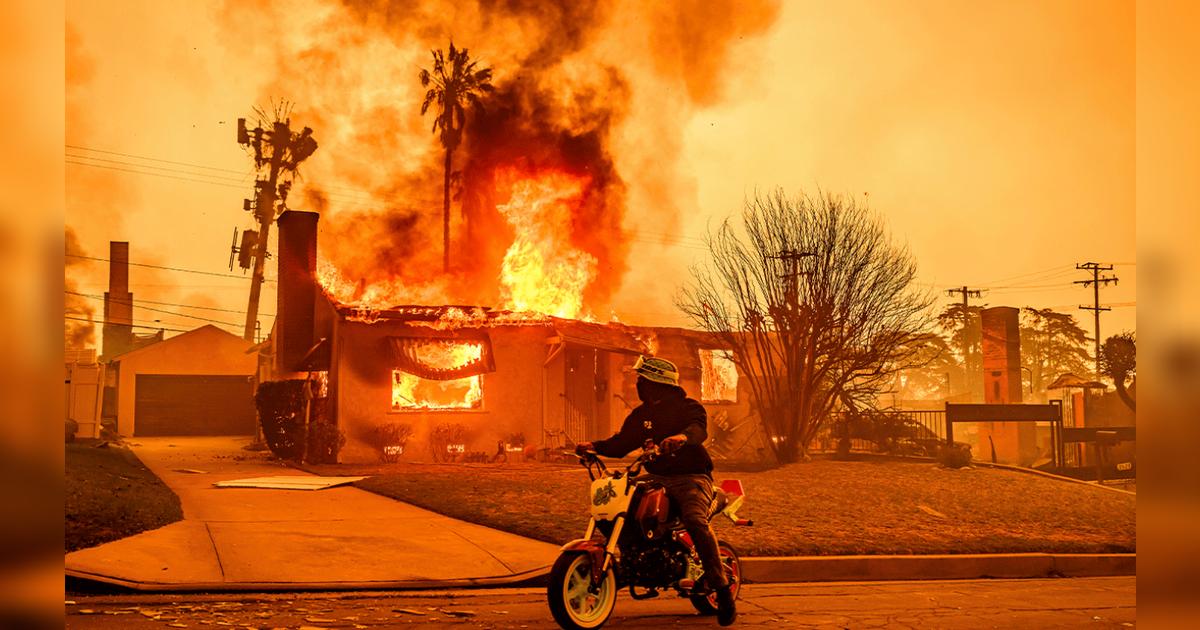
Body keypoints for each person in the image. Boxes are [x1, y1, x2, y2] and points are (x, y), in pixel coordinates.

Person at [575, 355, 737, 626]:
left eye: (643, 380)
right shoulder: (641, 415)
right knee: (621, 506)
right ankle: (635, 560)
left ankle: (722, 589)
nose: (638, 384)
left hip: (691, 477)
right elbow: (621, 443)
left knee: (696, 521)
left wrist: (682, 438)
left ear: (657, 383)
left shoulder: (688, 407)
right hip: (656, 476)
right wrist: (593, 445)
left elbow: (698, 430)